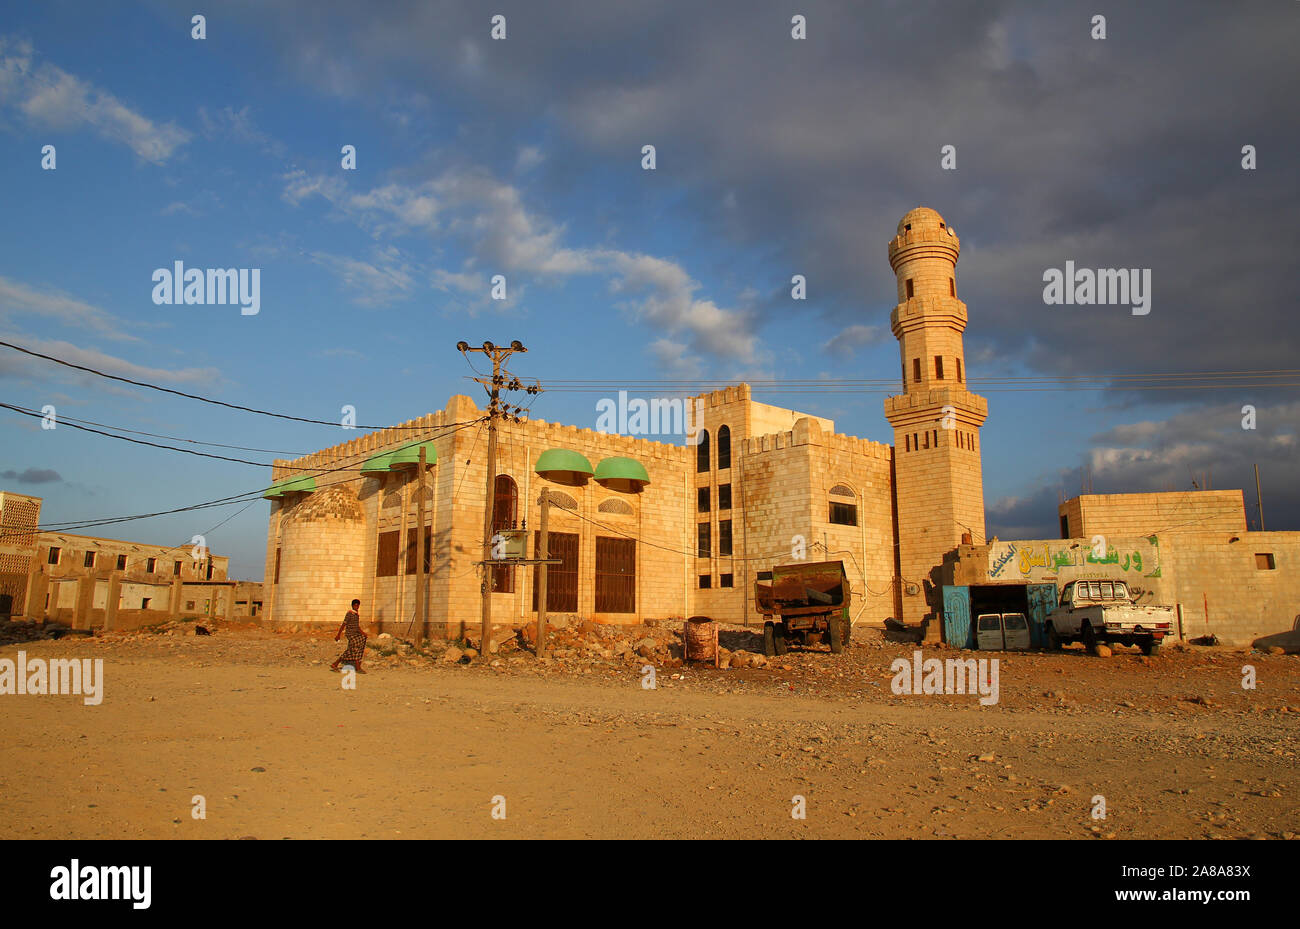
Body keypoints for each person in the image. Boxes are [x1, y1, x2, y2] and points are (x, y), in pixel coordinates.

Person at [331, 599, 367, 673]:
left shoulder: (356, 614)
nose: (357, 607)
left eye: (358, 605)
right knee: (354, 649)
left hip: (356, 634)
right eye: (355, 605)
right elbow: (344, 624)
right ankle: (357, 667)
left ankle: (336, 664)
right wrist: (338, 635)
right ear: (352, 606)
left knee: (358, 646)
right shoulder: (349, 614)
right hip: (350, 634)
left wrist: (363, 633)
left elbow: (357, 626)